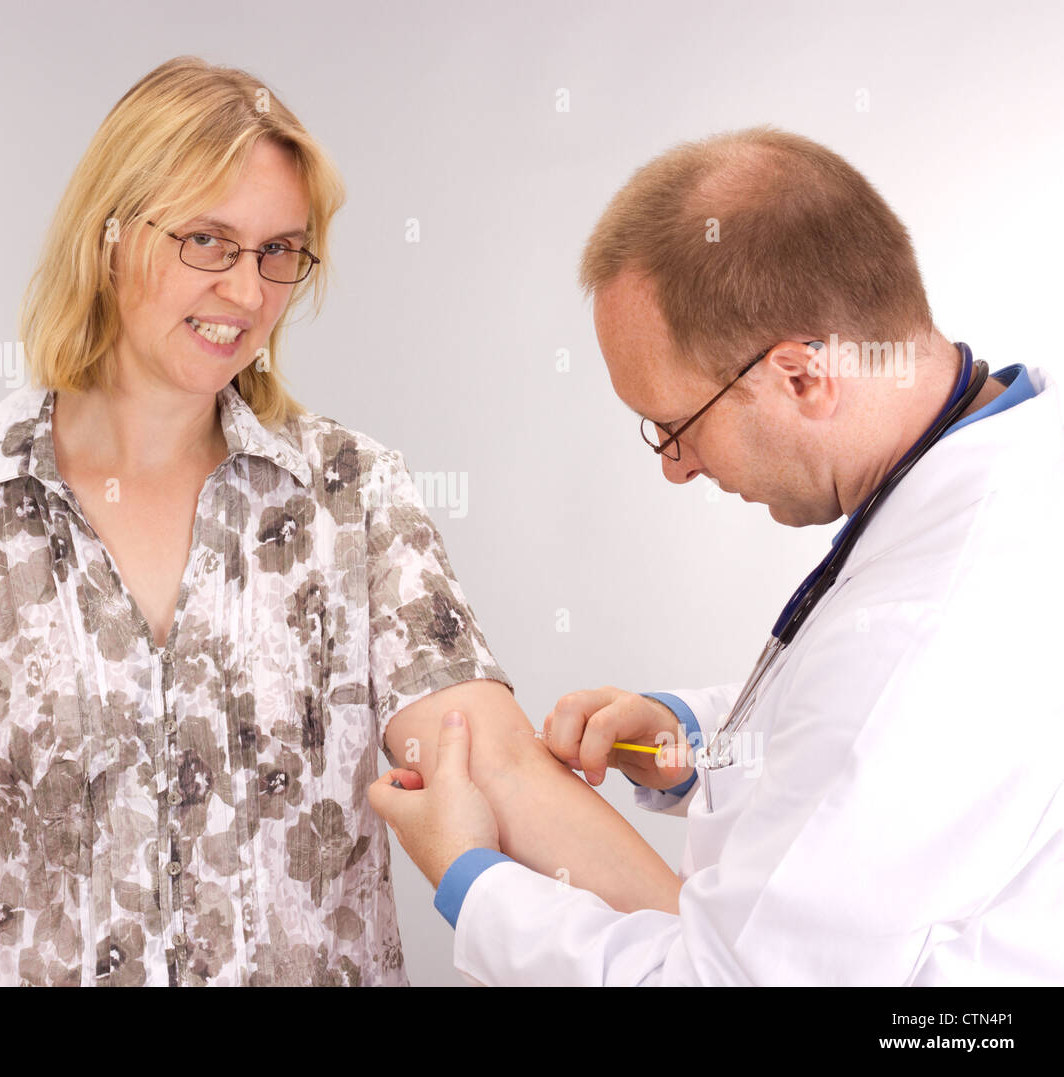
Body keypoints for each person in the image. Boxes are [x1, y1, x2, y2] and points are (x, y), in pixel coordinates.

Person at [0, 56, 680, 987]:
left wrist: (721, 951)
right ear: (107, 236)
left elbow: (494, 762)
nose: (247, 290)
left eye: (278, 251)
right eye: (208, 241)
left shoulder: (355, 497)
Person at [369, 127, 1064, 986]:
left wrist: (473, 881)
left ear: (802, 377)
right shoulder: (1014, 453)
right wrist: (704, 738)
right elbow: (864, 743)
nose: (674, 467)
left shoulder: (924, 630)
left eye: (677, 426)